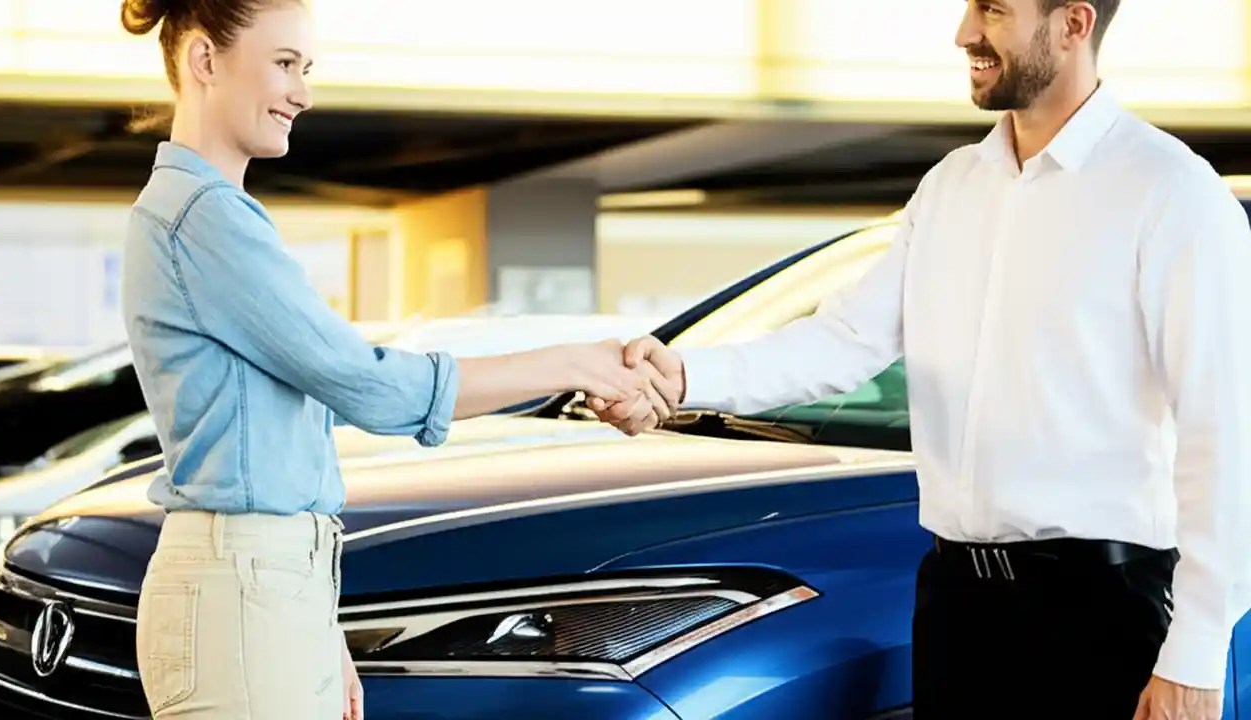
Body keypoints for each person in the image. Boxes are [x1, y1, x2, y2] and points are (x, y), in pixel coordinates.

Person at [594, 1, 1251, 718]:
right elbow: (843, 341)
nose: (965, 32)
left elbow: (1224, 436)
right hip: (955, 606)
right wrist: (683, 377)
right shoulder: (949, 188)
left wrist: (1195, 653)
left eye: (993, 10)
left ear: (1073, 23)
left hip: (1101, 611)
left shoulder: (1171, 192)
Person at [116, 1, 672, 718]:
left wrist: (319, 626)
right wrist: (576, 363)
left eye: (306, 69)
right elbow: (373, 387)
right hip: (245, 596)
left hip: (265, 593)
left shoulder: (210, 214)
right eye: (284, 64)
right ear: (203, 60)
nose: (303, 93)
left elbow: (279, 446)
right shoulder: (204, 219)